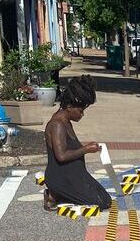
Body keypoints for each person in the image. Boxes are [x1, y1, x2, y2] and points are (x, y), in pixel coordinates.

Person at [43, 75, 111, 211]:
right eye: (80, 111)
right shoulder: (57, 124)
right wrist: (85, 149)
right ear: (69, 106)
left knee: (106, 200)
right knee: (98, 204)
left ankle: (62, 194)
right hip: (61, 177)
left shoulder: (66, 121)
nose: (82, 114)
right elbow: (61, 156)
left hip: (75, 174)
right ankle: (53, 193)